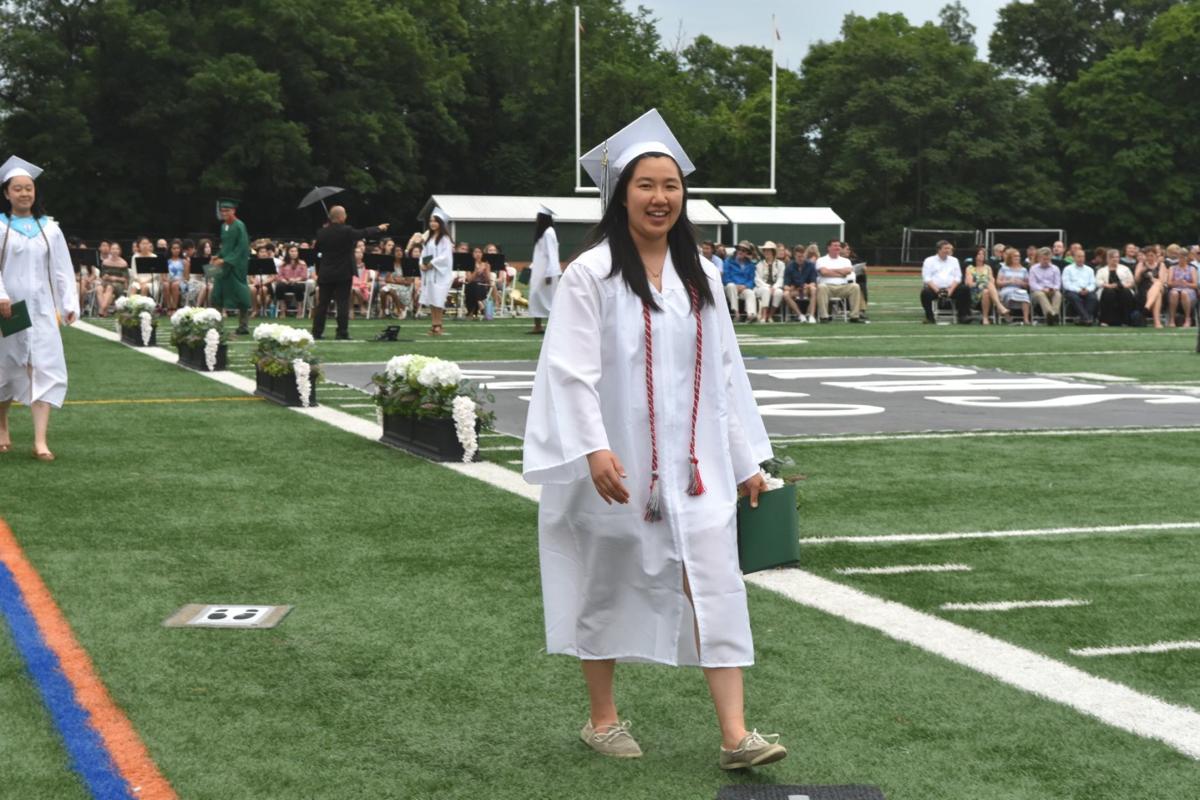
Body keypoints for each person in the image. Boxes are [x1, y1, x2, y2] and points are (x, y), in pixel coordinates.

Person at [526, 109, 786, 770]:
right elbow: (570, 373)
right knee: (606, 580)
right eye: (646, 184)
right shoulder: (591, 275)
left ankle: (736, 736)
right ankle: (603, 719)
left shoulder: (698, 277)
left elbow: (723, 377)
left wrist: (746, 459)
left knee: (717, 582)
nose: (660, 197)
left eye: (671, 185)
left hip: (696, 471)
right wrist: (592, 448)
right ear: (621, 195)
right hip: (620, 469)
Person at [0, 156, 80, 461]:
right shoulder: (0, 226)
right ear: (7, 193)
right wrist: (1, 296)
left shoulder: (50, 229)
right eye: (17, 188)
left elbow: (61, 269)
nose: (24, 193)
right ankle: (2, 426)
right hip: (10, 311)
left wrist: (68, 303)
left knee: (44, 367)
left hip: (43, 311)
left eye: (28, 188)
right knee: (7, 368)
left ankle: (40, 441)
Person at [311, 205, 388, 340]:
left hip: (326, 273)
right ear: (341, 217)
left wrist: (319, 270)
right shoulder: (347, 230)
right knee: (342, 303)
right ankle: (342, 332)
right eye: (345, 214)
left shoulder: (321, 232)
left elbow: (316, 253)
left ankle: (317, 332)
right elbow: (362, 233)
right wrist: (378, 228)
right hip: (343, 272)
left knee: (322, 304)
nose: (346, 216)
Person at [209, 198, 252, 334]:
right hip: (223, 264)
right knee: (217, 293)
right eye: (222, 211)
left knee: (241, 295)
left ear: (233, 211)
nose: (224, 213)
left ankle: (243, 326)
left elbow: (242, 247)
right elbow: (226, 246)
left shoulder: (239, 225)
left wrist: (226, 259)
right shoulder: (223, 226)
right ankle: (217, 324)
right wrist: (218, 255)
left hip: (236, 265)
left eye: (227, 210)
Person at [418, 208, 453, 336]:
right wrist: (422, 263)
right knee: (432, 299)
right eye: (431, 221)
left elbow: (446, 257)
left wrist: (432, 263)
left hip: (440, 274)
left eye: (435, 221)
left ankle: (438, 324)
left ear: (441, 223)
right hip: (430, 273)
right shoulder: (429, 238)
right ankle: (434, 324)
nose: (432, 223)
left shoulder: (445, 239)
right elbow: (424, 253)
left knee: (438, 298)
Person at [528, 206, 561, 334]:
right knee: (535, 297)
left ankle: (555, 326)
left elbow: (552, 254)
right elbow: (540, 254)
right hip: (539, 271)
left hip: (547, 273)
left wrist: (550, 274)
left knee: (549, 300)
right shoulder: (543, 234)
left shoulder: (549, 232)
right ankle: (538, 326)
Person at [919, 240, 970, 324]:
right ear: (939, 250)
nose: (948, 250)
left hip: (951, 288)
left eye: (949, 248)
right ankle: (929, 317)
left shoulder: (954, 260)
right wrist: (938, 291)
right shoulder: (929, 260)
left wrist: (950, 290)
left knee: (964, 289)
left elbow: (958, 277)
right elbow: (927, 278)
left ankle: (963, 316)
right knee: (925, 293)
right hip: (935, 289)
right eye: (945, 248)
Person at [815, 239, 865, 322]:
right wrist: (841, 272)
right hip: (827, 287)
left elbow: (848, 271)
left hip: (843, 287)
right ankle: (824, 317)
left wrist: (830, 270)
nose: (837, 247)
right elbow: (824, 272)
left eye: (838, 246)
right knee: (821, 287)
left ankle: (854, 316)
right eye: (835, 245)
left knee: (855, 286)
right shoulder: (821, 260)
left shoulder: (846, 260)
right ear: (829, 247)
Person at [965, 246, 1008, 324]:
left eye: (983, 254)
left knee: (986, 291)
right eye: (979, 254)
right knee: (987, 284)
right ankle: (999, 306)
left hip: (988, 293)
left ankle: (985, 318)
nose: (981, 256)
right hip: (975, 293)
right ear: (974, 256)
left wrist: (985, 283)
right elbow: (969, 283)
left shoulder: (988, 268)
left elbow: (992, 280)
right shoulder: (970, 268)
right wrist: (982, 283)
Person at [1095, 247, 1136, 327]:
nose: (1115, 259)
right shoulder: (1101, 270)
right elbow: (1098, 282)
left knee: (1126, 292)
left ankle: (1126, 321)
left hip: (1123, 288)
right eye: (1113, 257)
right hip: (1107, 289)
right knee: (1109, 292)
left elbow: (1131, 282)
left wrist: (1124, 285)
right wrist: (1108, 285)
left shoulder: (1125, 269)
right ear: (1108, 258)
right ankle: (1105, 321)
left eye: (1117, 257)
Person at [722, 241, 758, 321]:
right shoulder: (728, 261)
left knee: (750, 292)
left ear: (747, 253)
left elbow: (752, 280)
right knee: (731, 286)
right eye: (739, 249)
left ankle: (751, 315)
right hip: (730, 287)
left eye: (743, 250)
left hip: (743, 288)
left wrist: (745, 286)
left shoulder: (750, 264)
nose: (740, 252)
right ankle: (736, 313)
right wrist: (736, 286)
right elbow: (725, 277)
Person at [783, 243, 818, 323]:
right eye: (799, 256)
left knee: (813, 289)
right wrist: (791, 287)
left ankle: (811, 315)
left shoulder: (811, 265)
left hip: (806, 289)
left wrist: (807, 285)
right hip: (795, 290)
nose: (801, 258)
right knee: (785, 294)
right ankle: (800, 315)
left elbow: (813, 282)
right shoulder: (789, 267)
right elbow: (785, 285)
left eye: (803, 256)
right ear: (794, 256)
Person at [996, 248, 1031, 324]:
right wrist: (1009, 281)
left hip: (1019, 289)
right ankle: (1007, 315)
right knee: (1009, 293)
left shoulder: (1024, 270)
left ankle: (1026, 319)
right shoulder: (1004, 269)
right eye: (1015, 256)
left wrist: (1021, 283)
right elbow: (998, 282)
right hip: (1006, 288)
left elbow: (1027, 285)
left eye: (1018, 256)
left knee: (1025, 295)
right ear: (1010, 258)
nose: (1017, 258)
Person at [1061, 251, 1098, 325]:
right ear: (1074, 258)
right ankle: (1086, 318)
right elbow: (1066, 284)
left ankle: (1083, 319)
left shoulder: (1089, 270)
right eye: (1079, 256)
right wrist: (1078, 290)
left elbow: (1093, 284)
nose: (1081, 259)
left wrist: (1087, 290)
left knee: (1093, 298)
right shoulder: (1067, 269)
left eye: (1082, 256)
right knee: (1075, 298)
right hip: (1072, 291)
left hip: (1087, 290)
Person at [1028, 247, 1063, 324]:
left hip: (1051, 290)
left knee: (1058, 294)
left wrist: (1053, 289)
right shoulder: (1033, 269)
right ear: (1039, 258)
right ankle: (1050, 315)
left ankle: (1053, 315)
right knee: (1040, 294)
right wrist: (1042, 289)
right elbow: (1032, 284)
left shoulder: (1055, 268)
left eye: (1048, 259)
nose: (1046, 261)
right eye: (1044, 259)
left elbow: (1058, 284)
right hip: (1037, 292)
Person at [754, 241, 785, 323]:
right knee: (766, 290)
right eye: (765, 251)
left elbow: (781, 278)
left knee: (779, 292)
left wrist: (774, 287)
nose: (766, 252)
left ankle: (770, 315)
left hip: (775, 287)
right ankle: (763, 316)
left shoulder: (781, 264)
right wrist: (768, 287)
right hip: (761, 288)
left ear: (773, 252)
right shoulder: (759, 265)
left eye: (768, 250)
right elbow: (757, 280)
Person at [274, 245, 308, 317]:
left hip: (298, 283)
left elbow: (304, 276)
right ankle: (282, 307)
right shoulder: (282, 264)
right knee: (279, 286)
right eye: (292, 251)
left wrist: (296, 280)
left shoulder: (302, 263)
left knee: (298, 287)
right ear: (288, 253)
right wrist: (284, 280)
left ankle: (299, 308)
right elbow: (279, 276)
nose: (294, 253)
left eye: (295, 251)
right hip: (286, 283)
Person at [1135, 248, 1165, 328]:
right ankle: (1157, 322)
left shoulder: (1161, 265)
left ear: (1156, 256)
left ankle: (1147, 307)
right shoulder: (1141, 264)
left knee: (1157, 284)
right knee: (1157, 295)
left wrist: (1152, 279)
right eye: (1148, 256)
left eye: (1152, 255)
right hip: (1144, 289)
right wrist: (1141, 271)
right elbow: (1137, 281)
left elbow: (1162, 281)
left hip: (1159, 287)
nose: (1150, 258)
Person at [97, 241, 128, 316]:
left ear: (119, 251)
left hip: (118, 284)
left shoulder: (123, 263)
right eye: (113, 249)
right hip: (106, 282)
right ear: (110, 250)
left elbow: (125, 279)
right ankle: (104, 310)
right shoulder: (105, 262)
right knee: (99, 288)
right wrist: (105, 277)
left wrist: (115, 278)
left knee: (109, 287)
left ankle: (101, 310)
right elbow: (102, 276)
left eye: (116, 249)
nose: (115, 251)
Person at [1165, 255, 1197, 327]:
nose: (1182, 259)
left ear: (1187, 258)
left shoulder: (1192, 269)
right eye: (1180, 257)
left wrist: (1186, 284)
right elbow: (1169, 283)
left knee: (1184, 293)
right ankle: (1172, 319)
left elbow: (1195, 285)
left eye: (1183, 257)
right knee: (1174, 293)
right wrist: (1177, 282)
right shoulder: (1172, 268)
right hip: (1175, 288)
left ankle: (1187, 319)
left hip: (1189, 290)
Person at [463, 246, 493, 320]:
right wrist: (476, 271)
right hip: (471, 286)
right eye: (475, 252)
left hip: (483, 286)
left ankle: (471, 312)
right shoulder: (468, 264)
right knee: (472, 285)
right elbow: (469, 279)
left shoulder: (486, 264)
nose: (478, 254)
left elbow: (488, 281)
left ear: (482, 254)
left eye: (479, 252)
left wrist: (485, 271)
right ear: (472, 254)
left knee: (475, 286)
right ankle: (479, 302)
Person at [163, 239, 188, 312]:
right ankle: (168, 307)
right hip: (169, 280)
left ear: (180, 250)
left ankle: (174, 307)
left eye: (178, 248)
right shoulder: (166, 261)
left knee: (175, 285)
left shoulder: (184, 261)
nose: (176, 250)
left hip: (180, 281)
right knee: (165, 285)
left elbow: (186, 277)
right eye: (174, 248)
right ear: (170, 250)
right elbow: (163, 276)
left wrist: (179, 280)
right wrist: (166, 280)